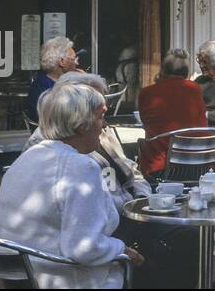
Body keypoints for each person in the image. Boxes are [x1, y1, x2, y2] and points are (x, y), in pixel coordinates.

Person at [0, 81, 144, 288]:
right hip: (62, 278)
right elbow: (84, 248)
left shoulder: (27, 158)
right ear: (82, 125)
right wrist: (121, 249)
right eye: (100, 117)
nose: (104, 125)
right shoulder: (80, 167)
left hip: (16, 277)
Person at [24, 71, 151, 209]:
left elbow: (130, 168)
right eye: (95, 107)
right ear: (72, 106)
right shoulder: (47, 147)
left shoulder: (99, 129)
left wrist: (142, 198)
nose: (104, 122)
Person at [136, 49, 208, 178]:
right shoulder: (195, 89)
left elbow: (145, 121)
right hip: (198, 165)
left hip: (162, 168)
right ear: (186, 71)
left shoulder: (147, 93)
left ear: (163, 69)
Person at [26, 36, 78, 125]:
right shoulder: (44, 89)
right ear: (62, 62)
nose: (77, 63)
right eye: (74, 59)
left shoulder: (49, 82)